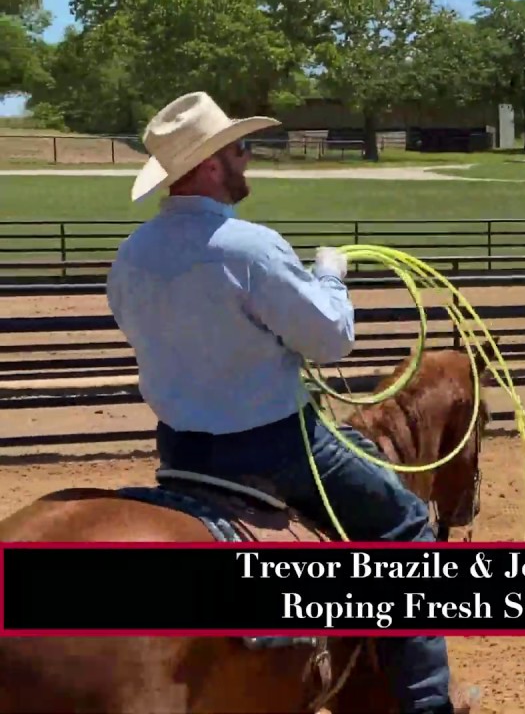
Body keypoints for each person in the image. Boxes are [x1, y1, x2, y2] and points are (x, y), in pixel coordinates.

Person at [106, 91, 466, 714]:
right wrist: (328, 275)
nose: (248, 161)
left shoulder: (131, 255)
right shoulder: (248, 246)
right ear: (213, 163)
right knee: (407, 528)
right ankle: (427, 705)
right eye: (241, 149)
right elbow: (331, 341)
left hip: (182, 452)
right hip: (277, 444)